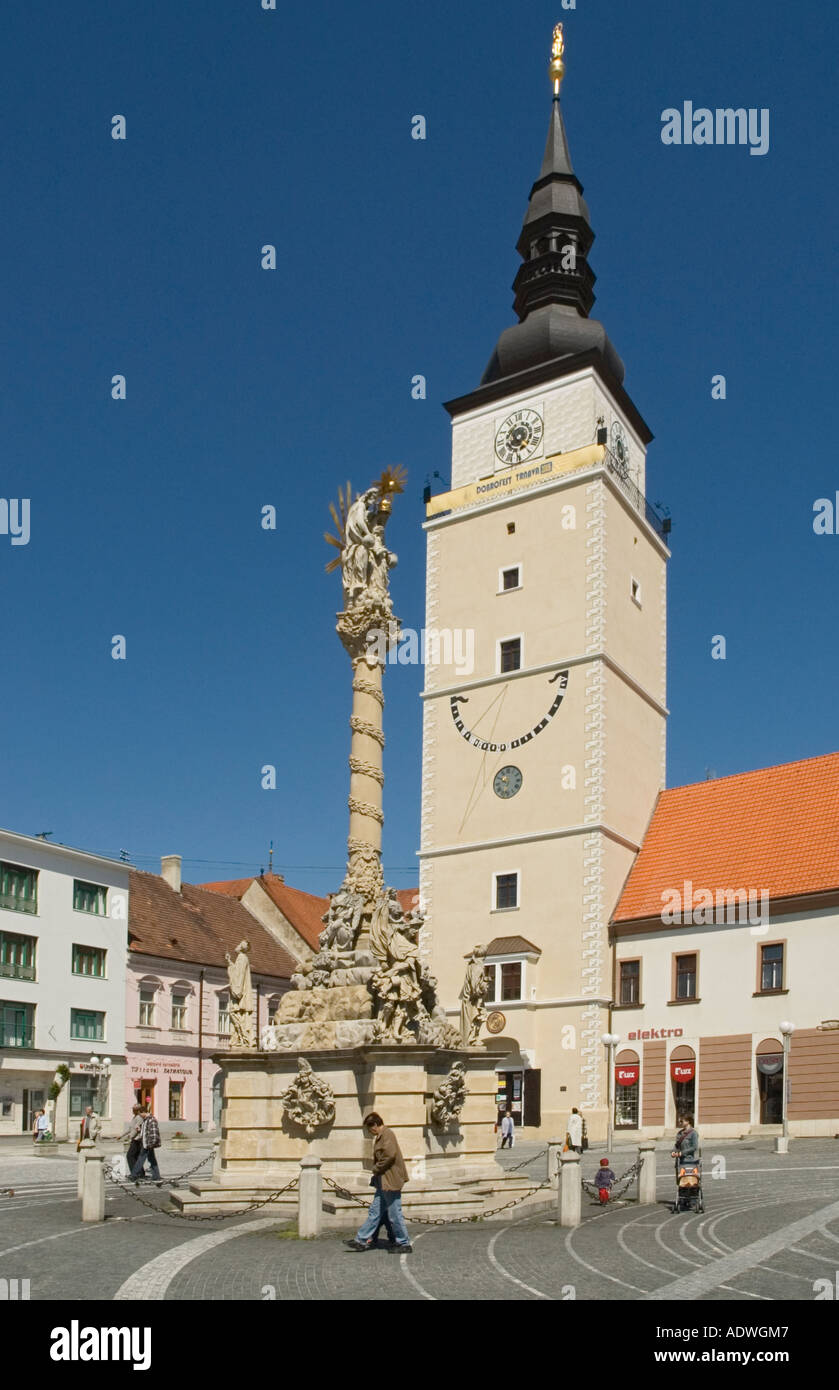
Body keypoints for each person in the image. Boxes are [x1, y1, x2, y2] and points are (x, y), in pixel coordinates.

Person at [343, 1112, 412, 1253]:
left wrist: (376, 1168)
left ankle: (404, 1243)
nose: (370, 1132)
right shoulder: (382, 1136)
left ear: (375, 1125)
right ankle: (361, 1240)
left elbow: (389, 1155)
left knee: (394, 1214)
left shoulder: (387, 1134)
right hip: (383, 1181)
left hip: (390, 1180)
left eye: (370, 1129)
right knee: (374, 1212)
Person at [130, 1108, 162, 1183]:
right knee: (152, 1160)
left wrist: (151, 1144)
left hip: (148, 1144)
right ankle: (156, 1176)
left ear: (144, 1112)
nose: (140, 1116)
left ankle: (134, 1175)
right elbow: (145, 1132)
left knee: (140, 1160)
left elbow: (154, 1132)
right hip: (145, 1143)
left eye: (140, 1114)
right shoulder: (146, 1120)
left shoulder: (151, 1120)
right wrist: (139, 1130)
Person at [121, 1105, 146, 1175]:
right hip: (135, 1140)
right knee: (136, 1157)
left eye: (134, 1109)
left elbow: (136, 1130)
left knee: (130, 1156)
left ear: (137, 1110)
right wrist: (121, 1135)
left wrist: (130, 1136)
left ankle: (134, 1173)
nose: (132, 1111)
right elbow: (130, 1129)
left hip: (137, 1140)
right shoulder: (134, 1117)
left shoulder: (139, 1118)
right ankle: (140, 1173)